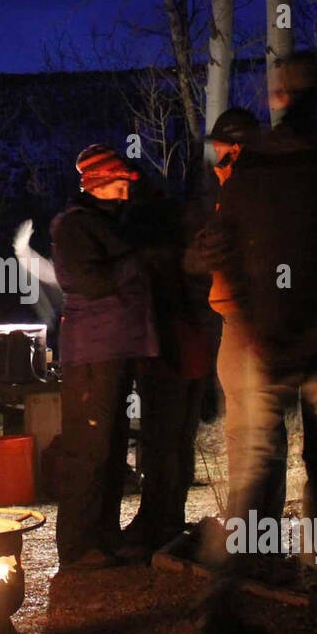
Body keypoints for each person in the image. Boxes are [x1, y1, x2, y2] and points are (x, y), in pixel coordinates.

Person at [195, 56, 317, 634]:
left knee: (255, 476)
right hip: (306, 337)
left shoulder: (253, 166)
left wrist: (259, 325)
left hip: (261, 339)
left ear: (279, 98)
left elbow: (225, 251)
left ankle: (222, 600)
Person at [50, 144, 158, 571]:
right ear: (96, 183)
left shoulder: (107, 222)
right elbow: (91, 282)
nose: (126, 190)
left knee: (110, 448)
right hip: (91, 354)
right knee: (88, 450)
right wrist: (137, 263)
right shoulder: (74, 226)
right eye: (118, 182)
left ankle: (104, 536)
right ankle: (77, 547)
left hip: (113, 350)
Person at [185, 107, 292, 524]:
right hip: (251, 322)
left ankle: (250, 530)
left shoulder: (249, 188)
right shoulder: (257, 187)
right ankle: (255, 527)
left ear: (234, 147)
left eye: (218, 148)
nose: (214, 157)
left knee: (252, 431)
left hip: (250, 324)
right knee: (257, 429)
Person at [121, 170, 211, 557]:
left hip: (169, 354)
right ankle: (167, 516)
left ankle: (158, 521)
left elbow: (152, 307)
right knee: (178, 441)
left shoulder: (154, 254)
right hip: (193, 351)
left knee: (163, 442)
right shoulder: (186, 243)